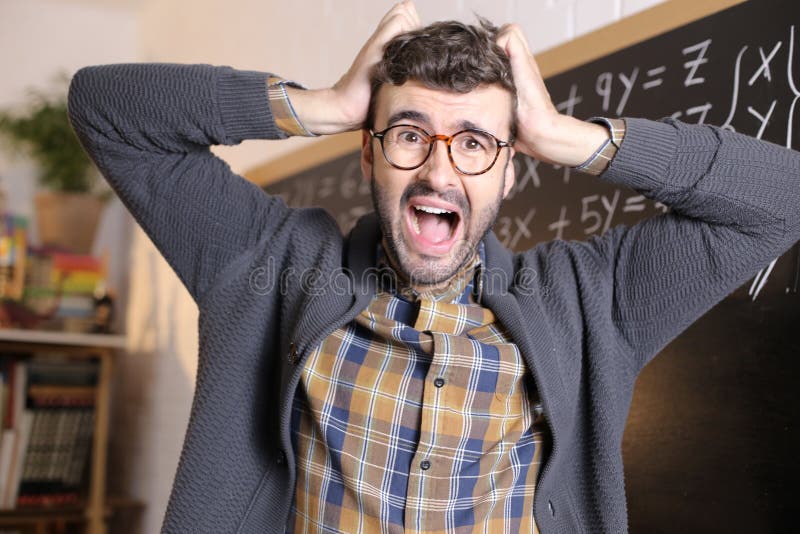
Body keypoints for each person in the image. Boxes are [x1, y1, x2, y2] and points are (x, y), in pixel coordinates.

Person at [66, 1, 800, 532]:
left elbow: (783, 198)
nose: (439, 171)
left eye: (477, 142)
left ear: (513, 171)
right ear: (368, 152)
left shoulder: (592, 300)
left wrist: (564, 134)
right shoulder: (267, 262)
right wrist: (318, 106)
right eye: (410, 134)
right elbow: (104, 108)